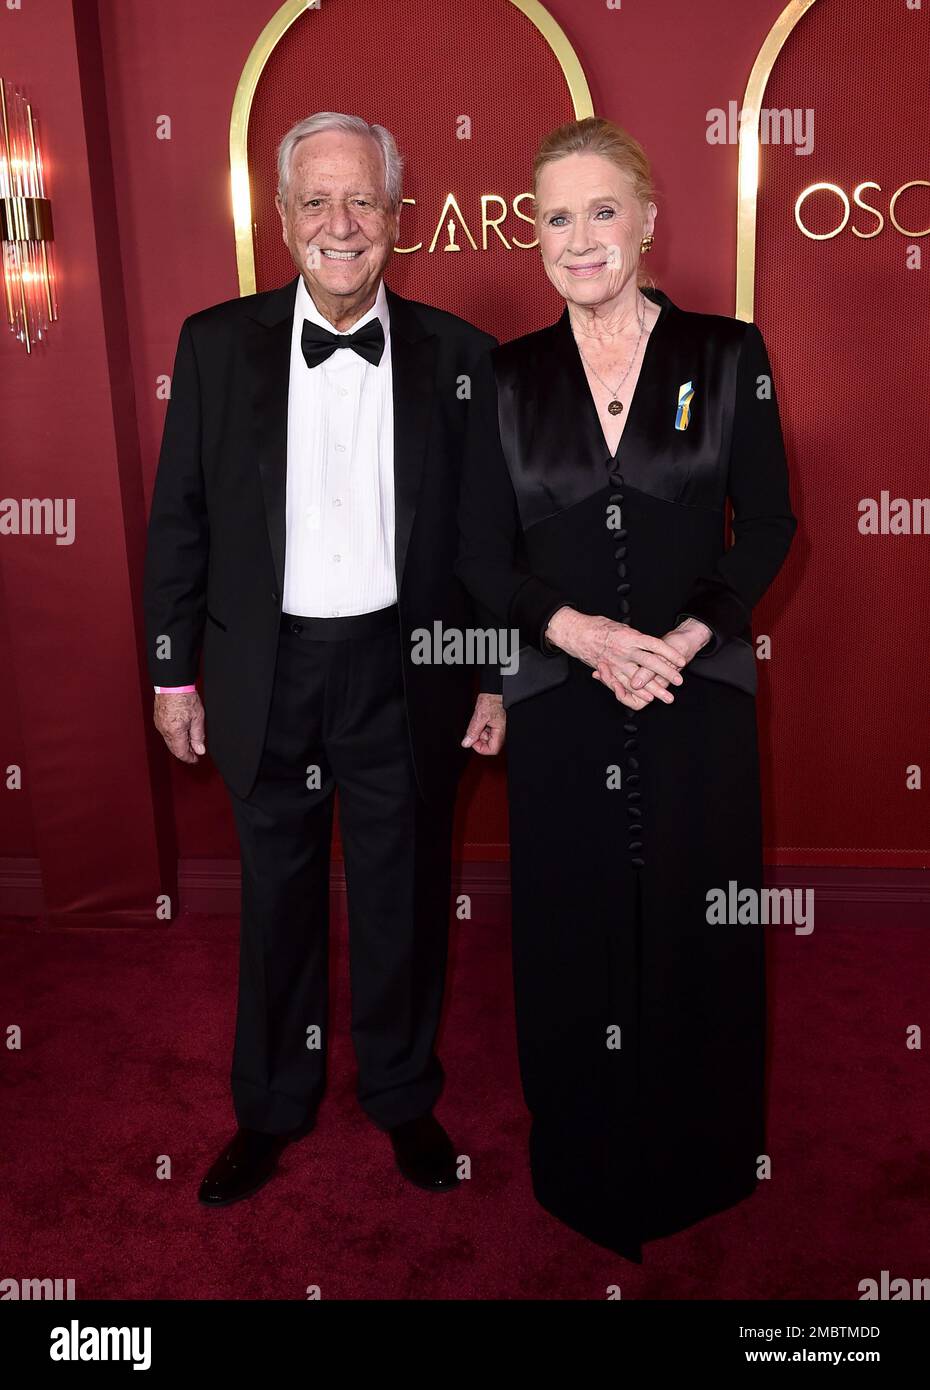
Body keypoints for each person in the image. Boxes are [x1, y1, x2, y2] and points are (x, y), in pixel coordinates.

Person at [143, 112, 505, 1207]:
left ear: (396, 218)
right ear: (284, 217)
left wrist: (492, 669)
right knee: (278, 899)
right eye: (317, 201)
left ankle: (403, 1095)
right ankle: (271, 1106)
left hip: (409, 670)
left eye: (362, 202)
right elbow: (180, 522)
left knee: (403, 895)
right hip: (270, 672)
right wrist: (171, 673)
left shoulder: (461, 355)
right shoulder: (215, 343)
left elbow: (489, 537)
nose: (340, 224)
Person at [456, 116, 797, 1262]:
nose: (581, 236)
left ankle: (702, 1155)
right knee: (573, 927)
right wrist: (582, 633)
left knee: (699, 917)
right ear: (534, 237)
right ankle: (589, 1159)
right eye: (556, 216)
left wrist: (688, 635)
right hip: (560, 695)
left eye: (604, 210)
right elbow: (479, 553)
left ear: (649, 222)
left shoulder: (727, 353)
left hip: (698, 694)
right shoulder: (503, 378)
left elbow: (773, 525)